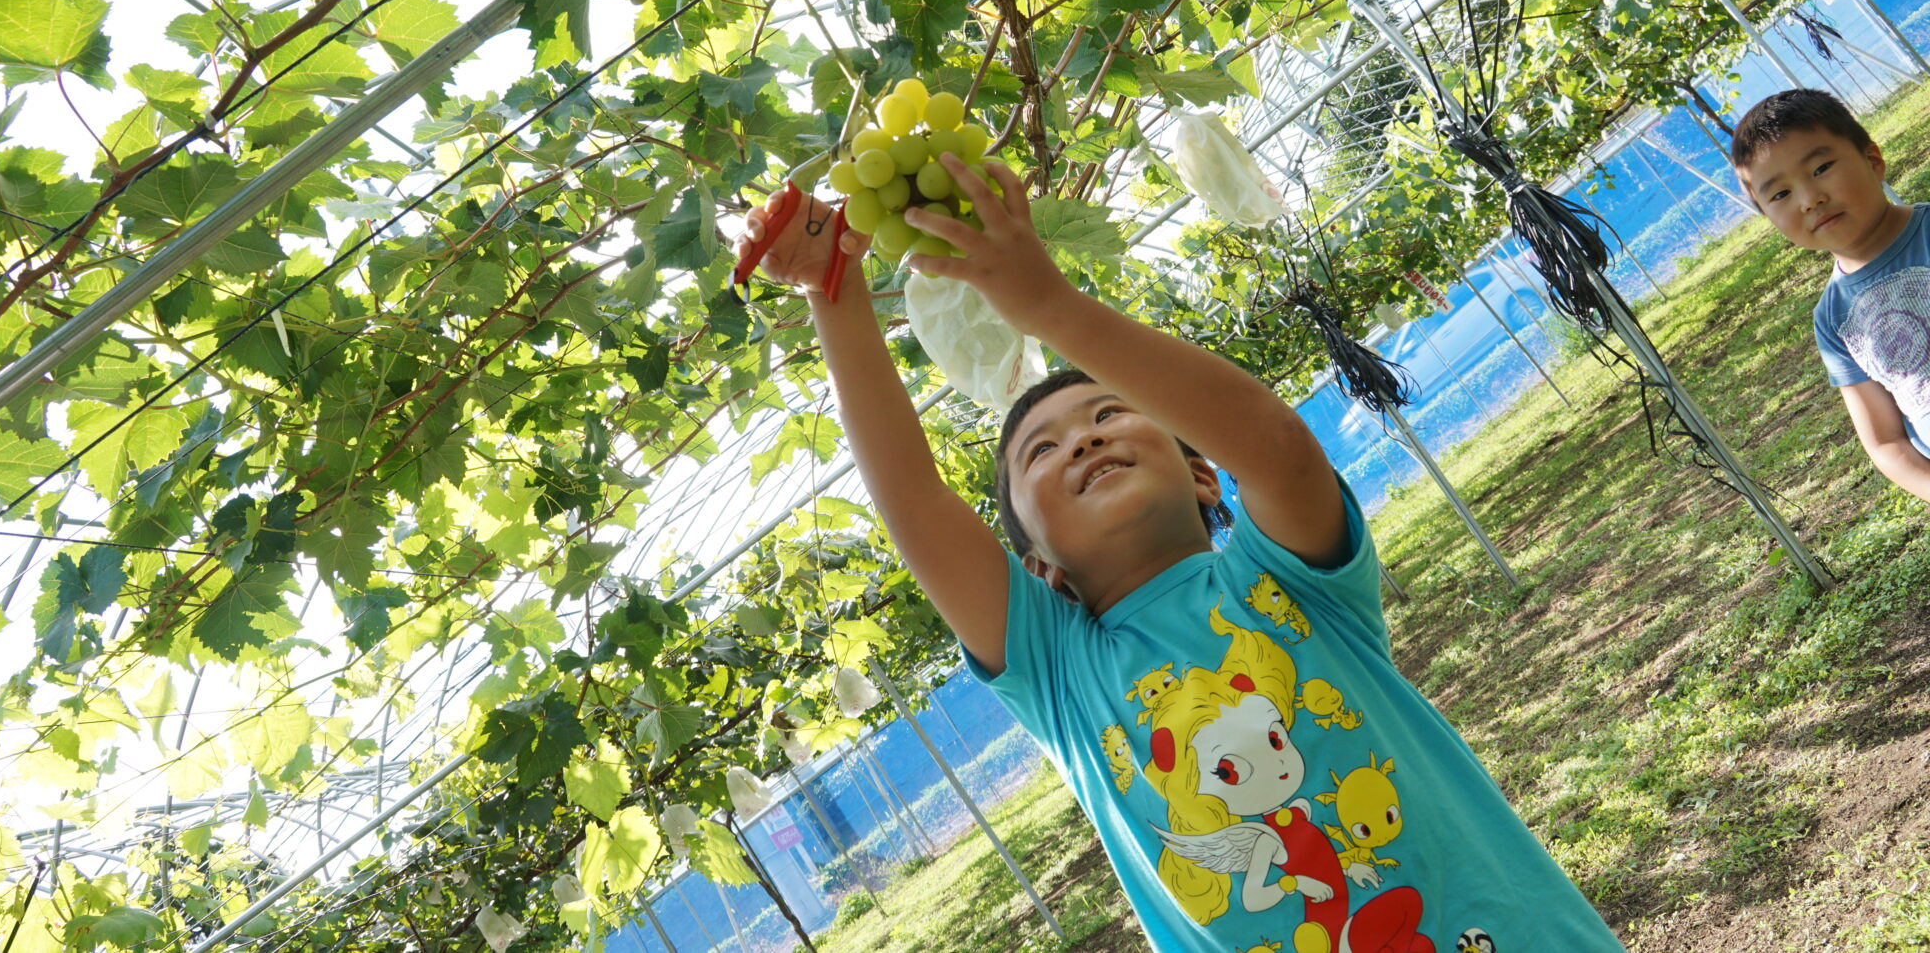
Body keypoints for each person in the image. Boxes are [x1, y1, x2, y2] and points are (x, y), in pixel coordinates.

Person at [739, 150, 1626, 952]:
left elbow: (1274, 442)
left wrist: (1049, 307)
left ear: (1204, 474)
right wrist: (834, 290)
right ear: (1038, 568)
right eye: (1040, 453)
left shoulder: (1289, 576)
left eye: (1109, 413)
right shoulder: (1058, 670)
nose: (1081, 440)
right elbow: (916, 502)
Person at [1731, 87, 1930, 501]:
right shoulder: (1834, 318)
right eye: (1781, 194)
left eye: (1821, 168)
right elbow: (1885, 442)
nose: (1809, 199)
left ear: (1873, 161)